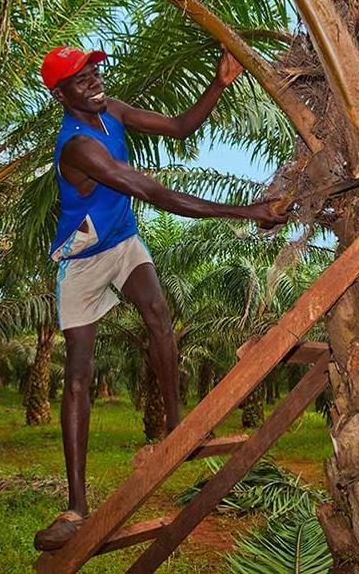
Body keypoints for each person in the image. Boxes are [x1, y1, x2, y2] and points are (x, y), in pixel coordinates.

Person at [33, 45, 288, 551]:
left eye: (94, 71)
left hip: (123, 239)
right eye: (81, 80)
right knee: (79, 376)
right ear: (61, 95)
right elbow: (150, 191)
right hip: (81, 259)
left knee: (158, 315)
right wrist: (243, 212)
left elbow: (180, 127)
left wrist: (219, 83)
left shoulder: (111, 109)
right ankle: (76, 507)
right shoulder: (78, 146)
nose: (94, 82)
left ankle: (176, 428)